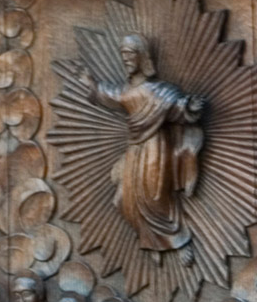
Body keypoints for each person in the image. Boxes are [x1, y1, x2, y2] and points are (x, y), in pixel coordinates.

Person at [78, 34, 204, 261]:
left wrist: (190, 106)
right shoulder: (126, 91)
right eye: (123, 54)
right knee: (123, 200)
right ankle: (151, 241)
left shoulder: (159, 91)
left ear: (142, 57)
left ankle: (177, 241)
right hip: (134, 149)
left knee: (155, 199)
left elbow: (178, 108)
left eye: (129, 54)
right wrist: (92, 85)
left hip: (155, 148)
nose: (125, 59)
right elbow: (110, 96)